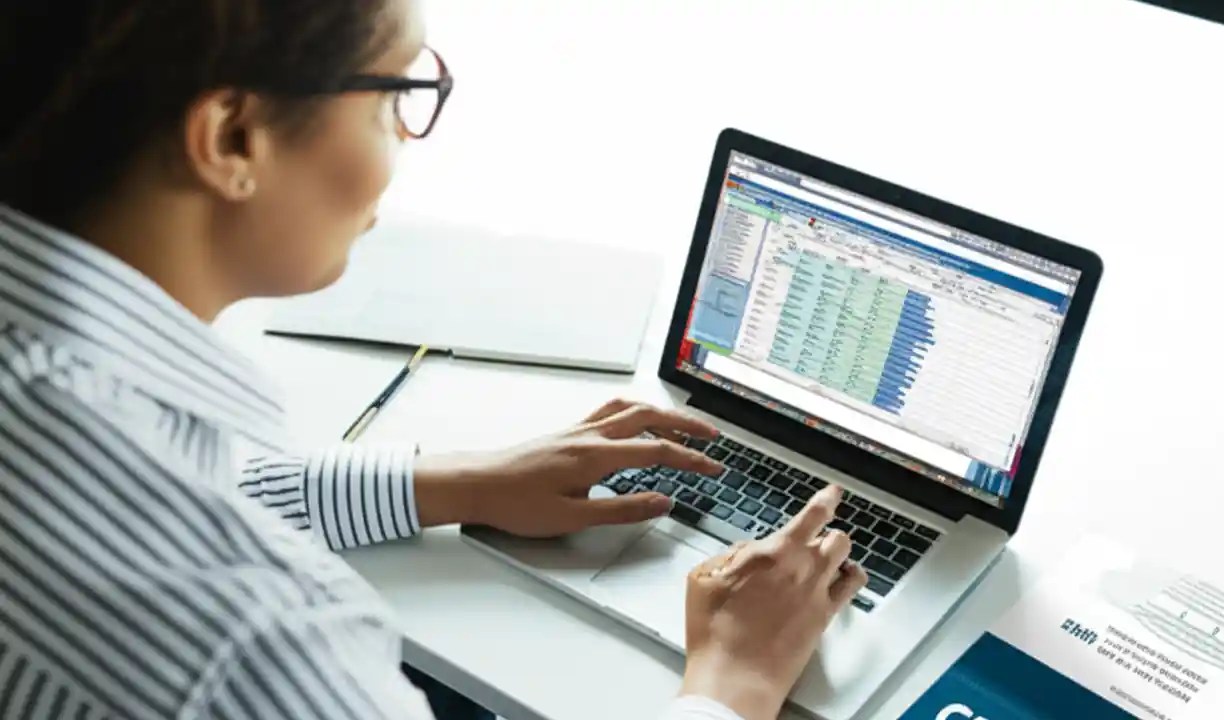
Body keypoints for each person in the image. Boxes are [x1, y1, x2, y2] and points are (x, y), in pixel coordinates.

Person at [0, 2, 868, 719]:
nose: (405, 144)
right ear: (231, 139)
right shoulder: (259, 652)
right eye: (396, 95)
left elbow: (201, 485)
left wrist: (454, 482)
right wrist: (734, 683)